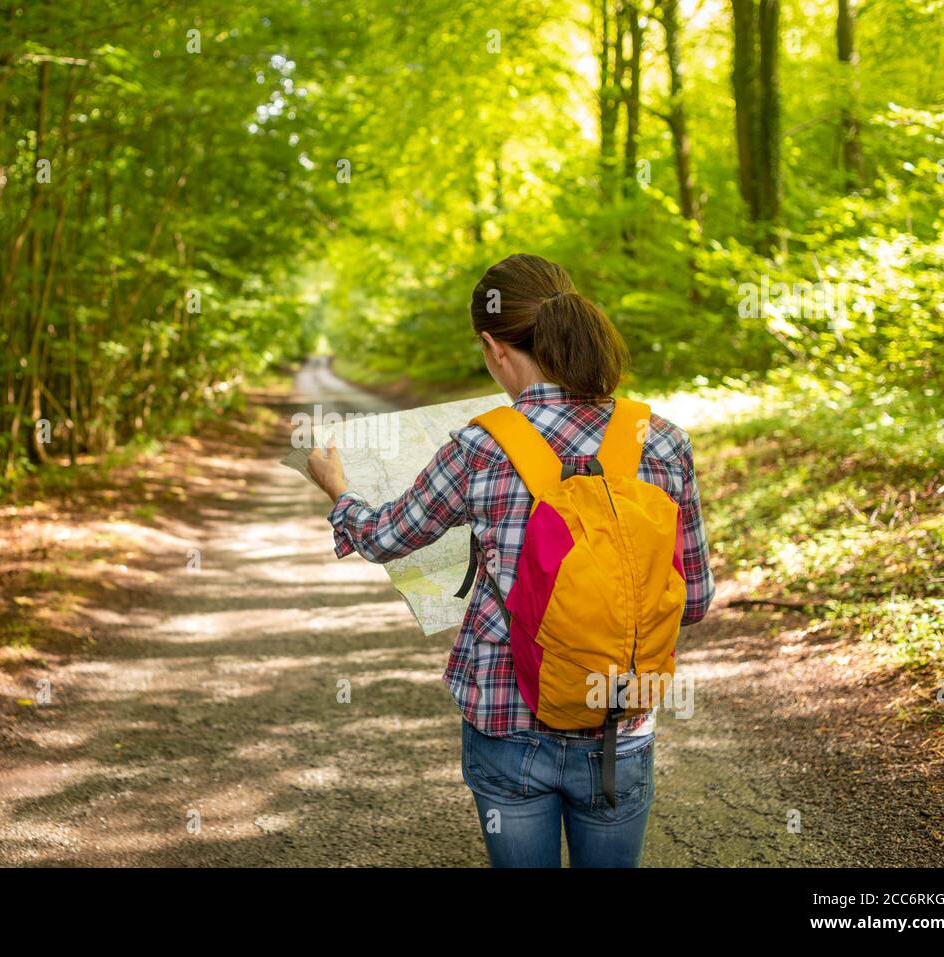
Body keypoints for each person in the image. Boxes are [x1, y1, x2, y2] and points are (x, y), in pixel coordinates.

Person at [306, 253, 715, 867]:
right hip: (617, 720)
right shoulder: (659, 439)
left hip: (507, 714)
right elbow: (696, 599)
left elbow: (384, 536)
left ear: (495, 348)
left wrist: (339, 492)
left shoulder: (484, 444)